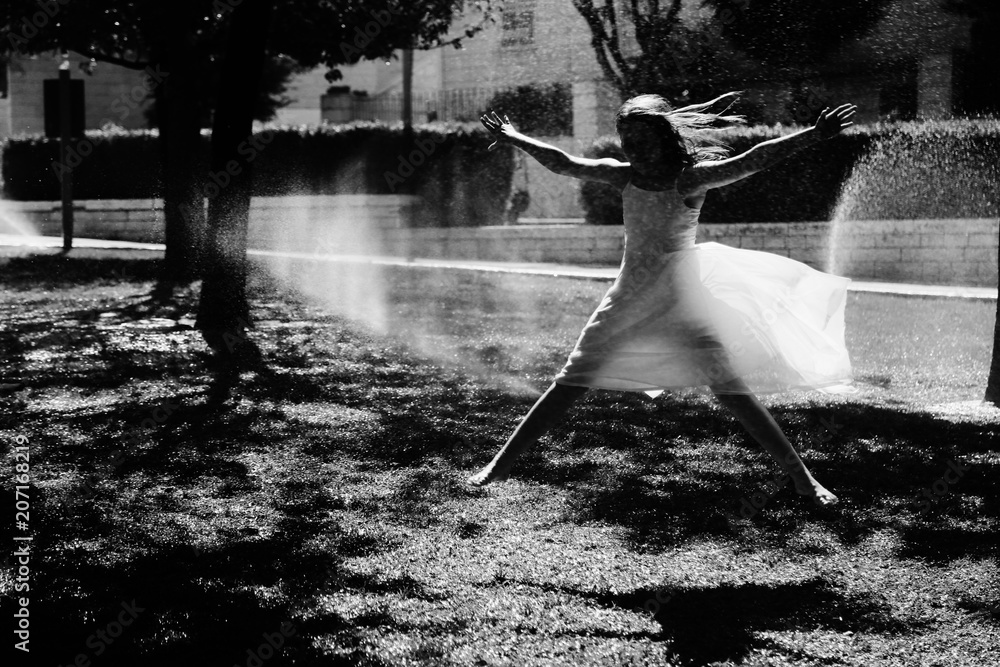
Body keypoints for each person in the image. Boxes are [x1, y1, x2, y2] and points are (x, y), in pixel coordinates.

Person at [468, 92, 858, 507]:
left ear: (663, 136)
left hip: (683, 300)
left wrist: (813, 135)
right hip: (630, 295)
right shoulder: (623, 176)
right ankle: (499, 466)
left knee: (730, 390)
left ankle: (804, 479)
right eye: (625, 139)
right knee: (569, 382)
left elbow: (755, 159)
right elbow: (564, 163)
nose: (632, 147)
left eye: (640, 138)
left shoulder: (689, 179)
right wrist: (515, 137)